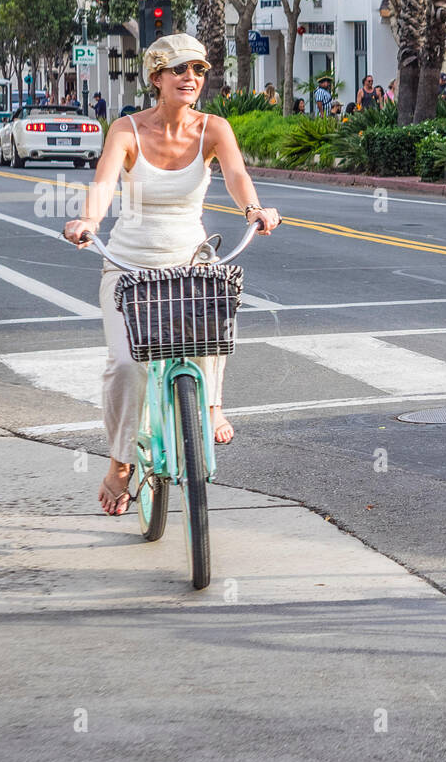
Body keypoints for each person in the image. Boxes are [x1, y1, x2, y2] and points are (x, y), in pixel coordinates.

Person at [61, 33, 282, 516]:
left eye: (198, 70)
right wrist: (88, 221)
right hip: (130, 266)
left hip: (188, 260)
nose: (190, 78)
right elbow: (103, 183)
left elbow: (238, 176)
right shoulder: (126, 130)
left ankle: (212, 404)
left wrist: (254, 209)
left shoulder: (214, 128)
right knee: (126, 365)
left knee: (215, 313)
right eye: (179, 69)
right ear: (156, 77)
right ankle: (120, 463)